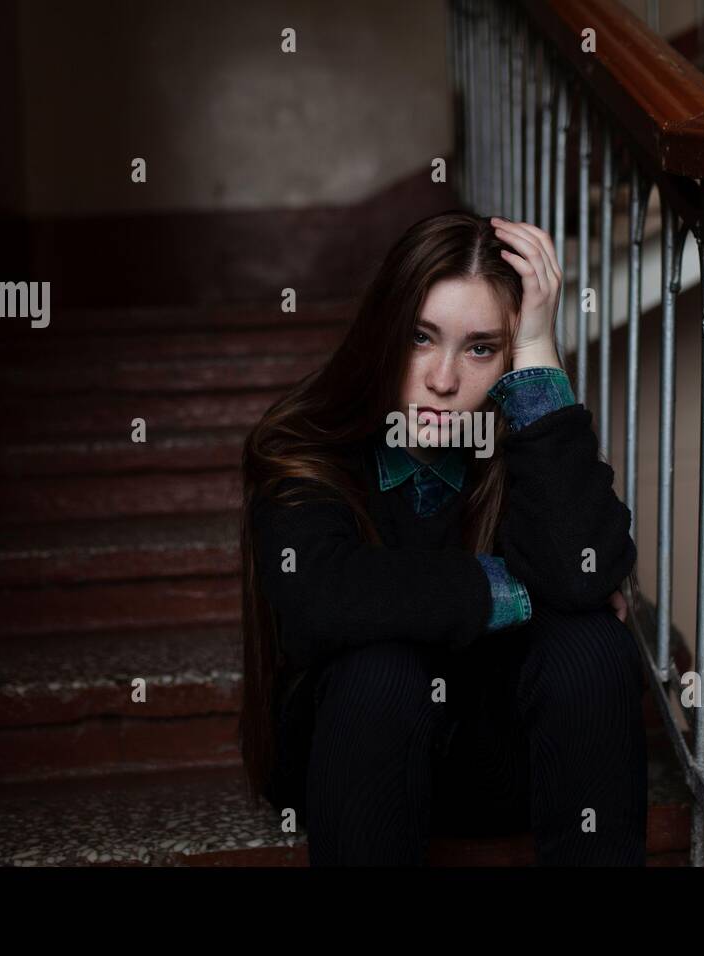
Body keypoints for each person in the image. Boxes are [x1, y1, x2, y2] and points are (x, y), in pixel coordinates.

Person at [238, 210, 648, 865]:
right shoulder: (304, 451)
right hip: (358, 756)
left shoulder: (518, 443)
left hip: (496, 760)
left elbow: (580, 569)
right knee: (383, 666)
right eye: (420, 338)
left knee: (591, 643)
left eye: (481, 348)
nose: (443, 380)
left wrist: (538, 345)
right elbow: (321, 598)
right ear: (382, 332)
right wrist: (517, 587)